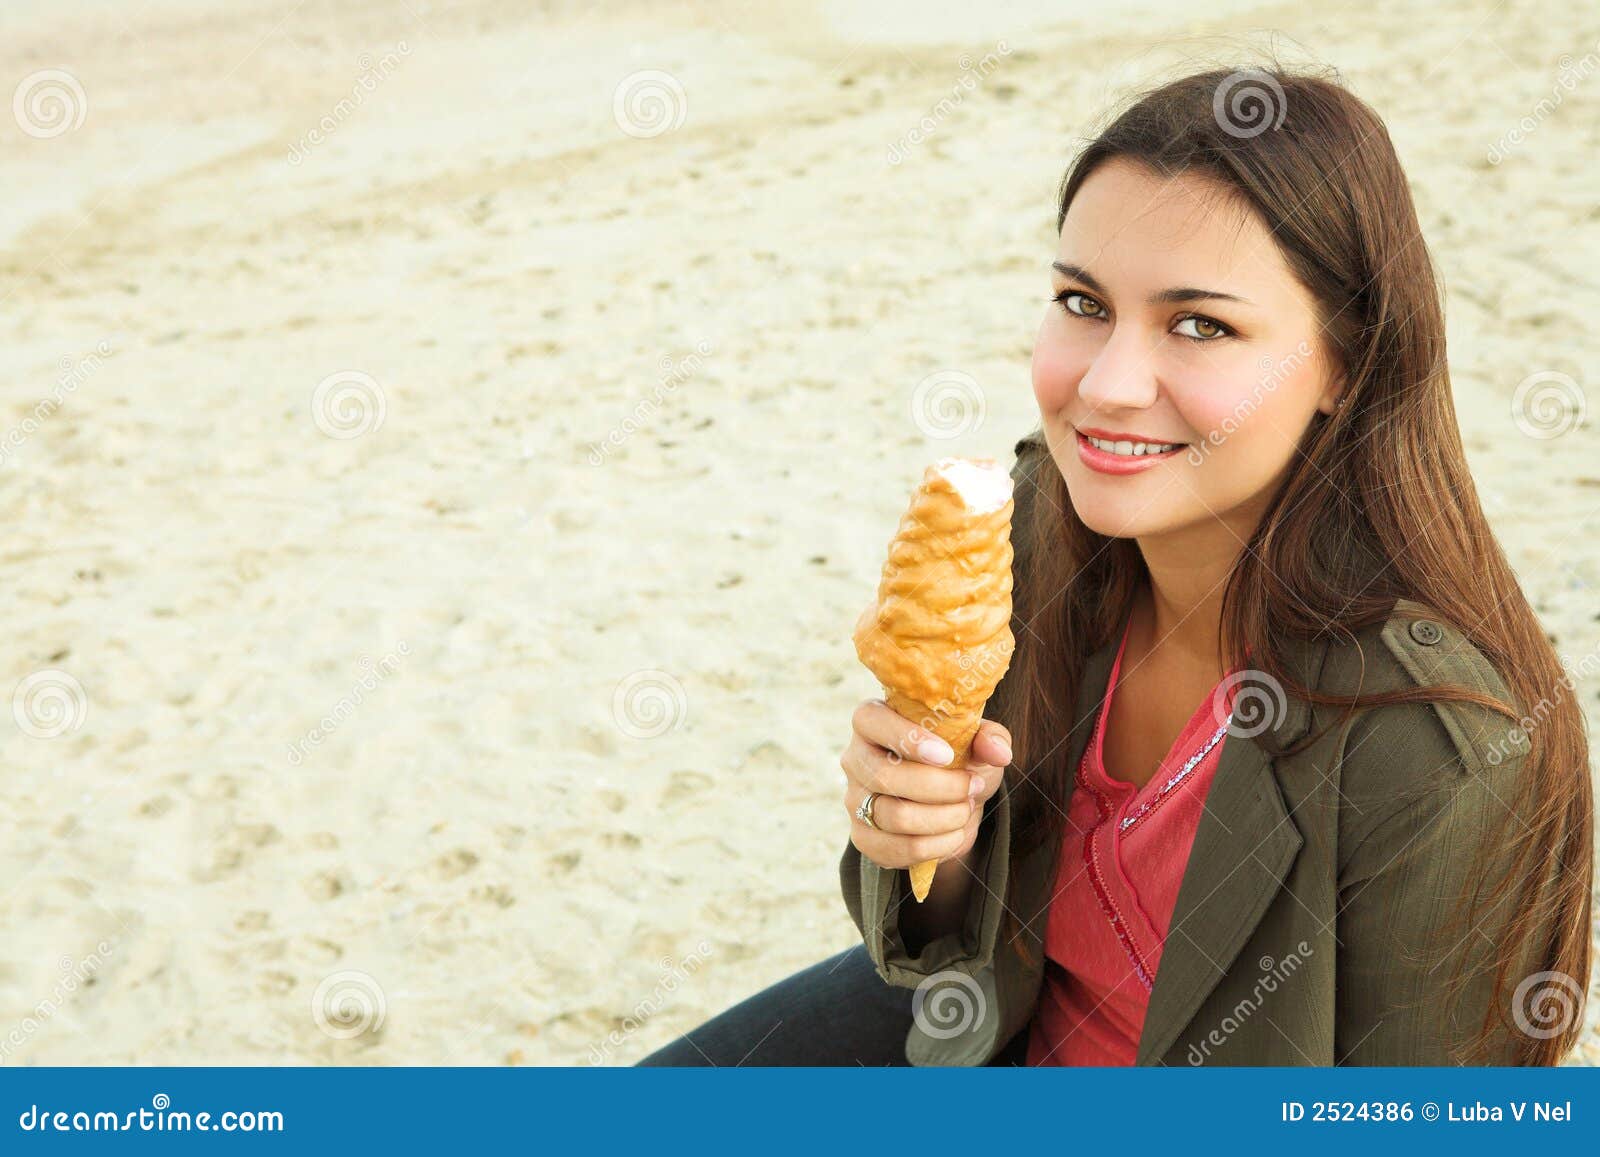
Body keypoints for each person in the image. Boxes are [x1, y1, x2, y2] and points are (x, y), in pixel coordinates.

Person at [639, 65, 1593, 1067]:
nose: (1106, 384)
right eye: (1082, 302)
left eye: (1201, 325)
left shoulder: (1434, 752)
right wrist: (931, 842)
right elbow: (950, 952)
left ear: (1344, 366)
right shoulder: (1027, 533)